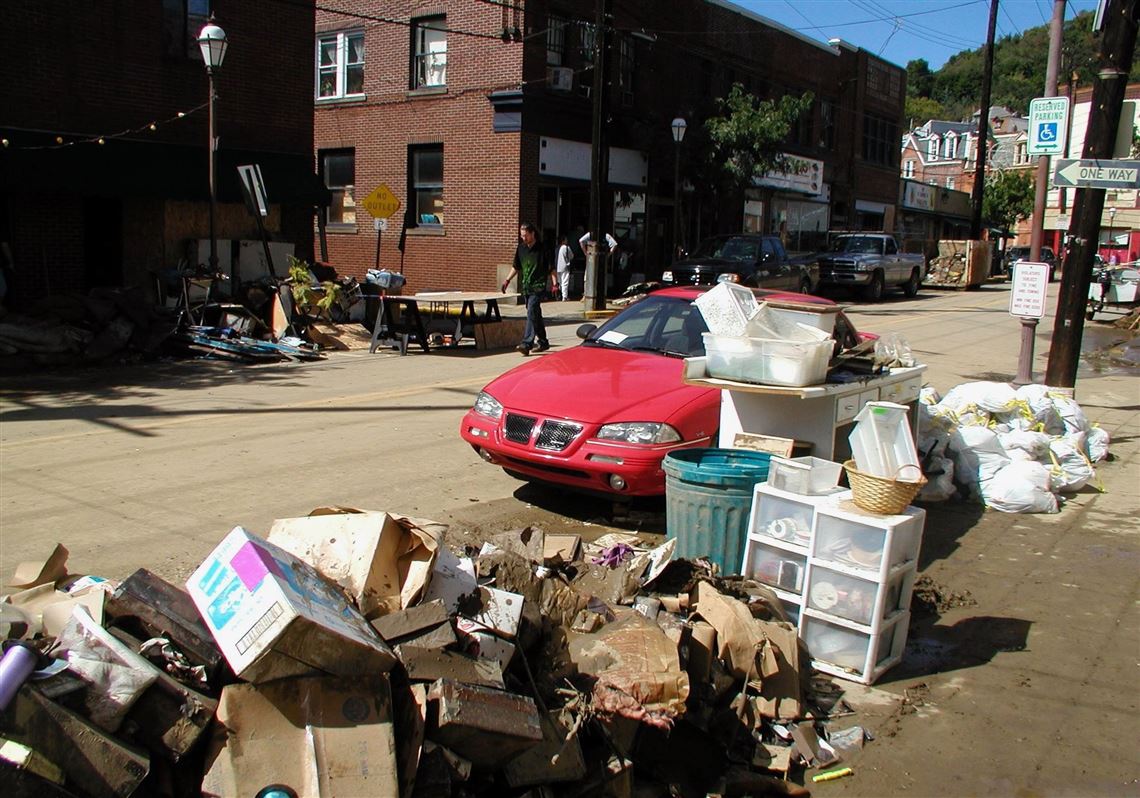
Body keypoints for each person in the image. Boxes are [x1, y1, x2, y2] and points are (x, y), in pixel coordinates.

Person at [502, 222, 553, 355]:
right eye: (522, 236)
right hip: (526, 287)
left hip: (538, 286)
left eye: (525, 235)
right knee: (535, 315)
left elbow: (551, 268)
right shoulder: (521, 249)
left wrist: (555, 284)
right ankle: (543, 342)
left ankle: (526, 343)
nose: (523, 238)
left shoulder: (543, 249)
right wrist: (507, 280)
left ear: (532, 234)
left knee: (531, 311)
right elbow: (516, 266)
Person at [555, 235, 573, 300]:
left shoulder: (557, 248)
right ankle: (564, 296)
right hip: (565, 266)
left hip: (558, 267)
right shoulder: (566, 247)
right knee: (565, 281)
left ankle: (559, 295)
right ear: (563, 241)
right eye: (566, 240)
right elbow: (571, 256)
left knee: (560, 282)